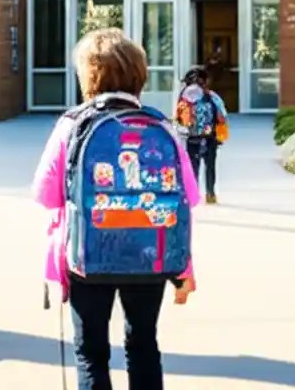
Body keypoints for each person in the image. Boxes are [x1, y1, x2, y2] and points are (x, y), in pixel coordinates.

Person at [32, 27, 201, 390]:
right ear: (139, 76)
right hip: (149, 257)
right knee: (143, 346)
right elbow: (187, 199)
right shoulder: (162, 128)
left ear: (87, 77)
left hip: (88, 257)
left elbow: (45, 194)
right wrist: (185, 266)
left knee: (91, 353)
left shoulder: (72, 124)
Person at [175, 66, 229, 204]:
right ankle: (210, 194)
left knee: (193, 166)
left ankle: (193, 196)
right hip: (210, 137)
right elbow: (222, 116)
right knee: (210, 166)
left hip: (191, 137)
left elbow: (179, 119)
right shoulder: (212, 96)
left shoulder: (184, 97)